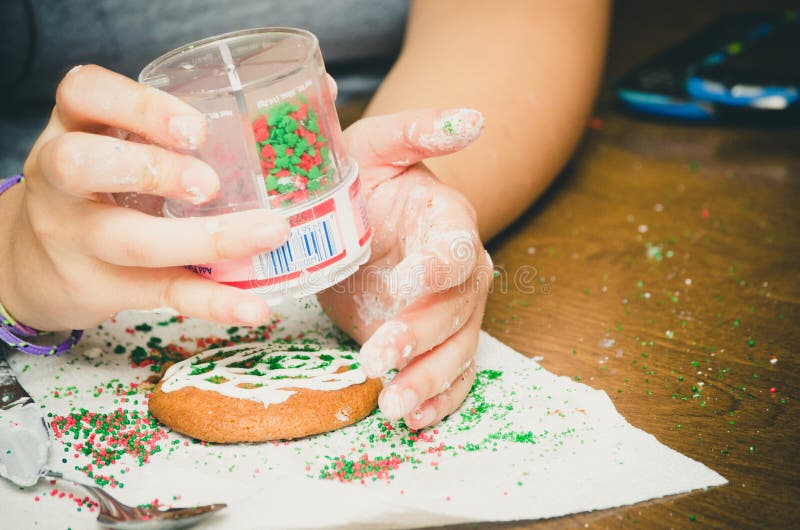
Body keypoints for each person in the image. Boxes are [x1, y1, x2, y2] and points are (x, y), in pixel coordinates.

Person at [0, 1, 609, 430]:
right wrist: (12, 253)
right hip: (61, 227)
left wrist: (398, 203)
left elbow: (511, 15)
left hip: (349, 150)